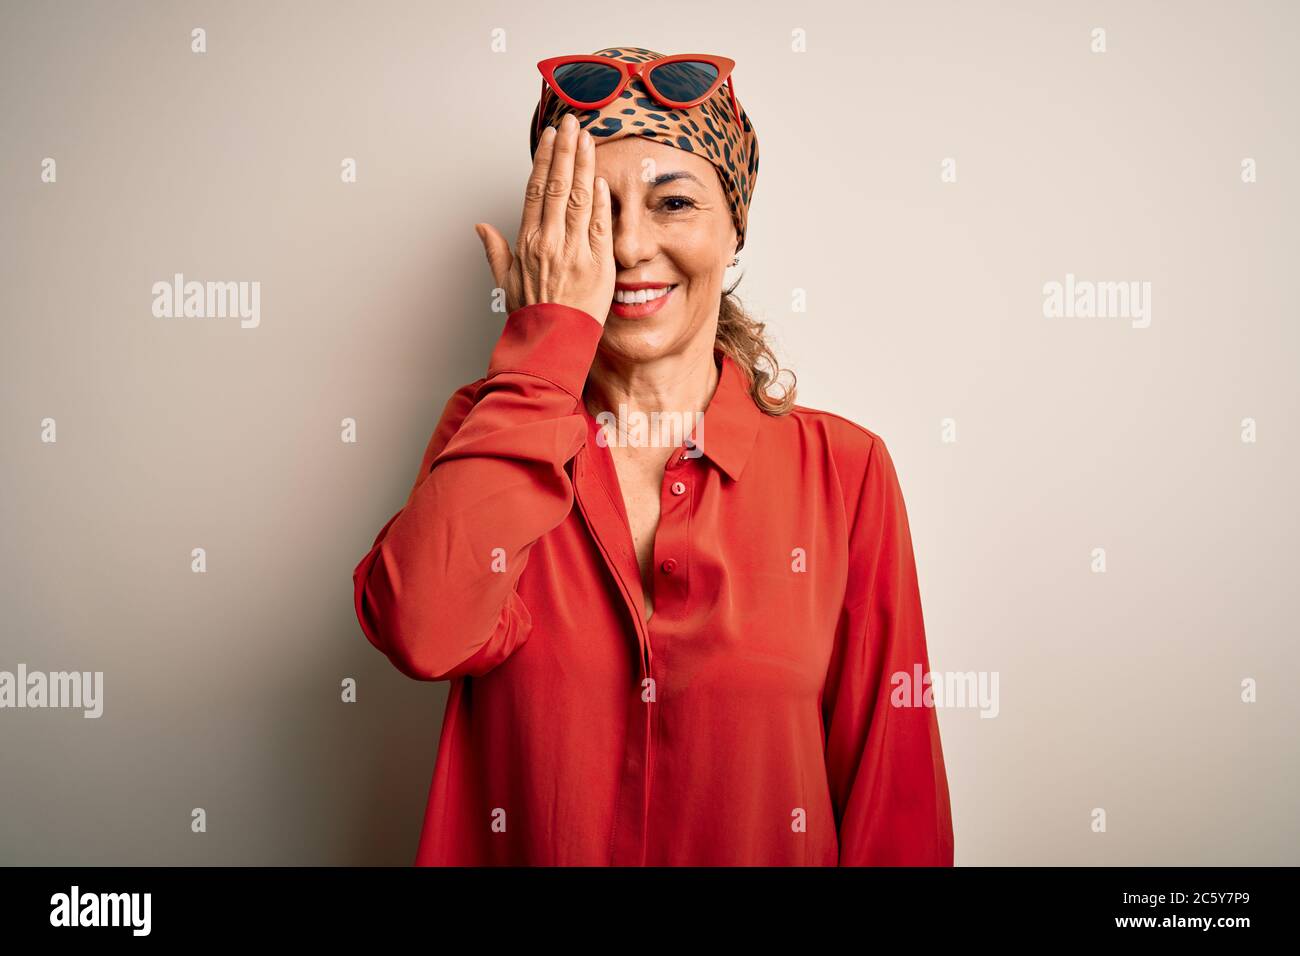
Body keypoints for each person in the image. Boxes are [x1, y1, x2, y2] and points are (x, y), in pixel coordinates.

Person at [352, 45, 954, 865]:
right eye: (594, 215)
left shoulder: (846, 473)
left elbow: (897, 807)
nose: (631, 246)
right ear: (550, 243)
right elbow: (422, 630)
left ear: (735, 223)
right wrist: (539, 359)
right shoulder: (490, 430)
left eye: (674, 202)